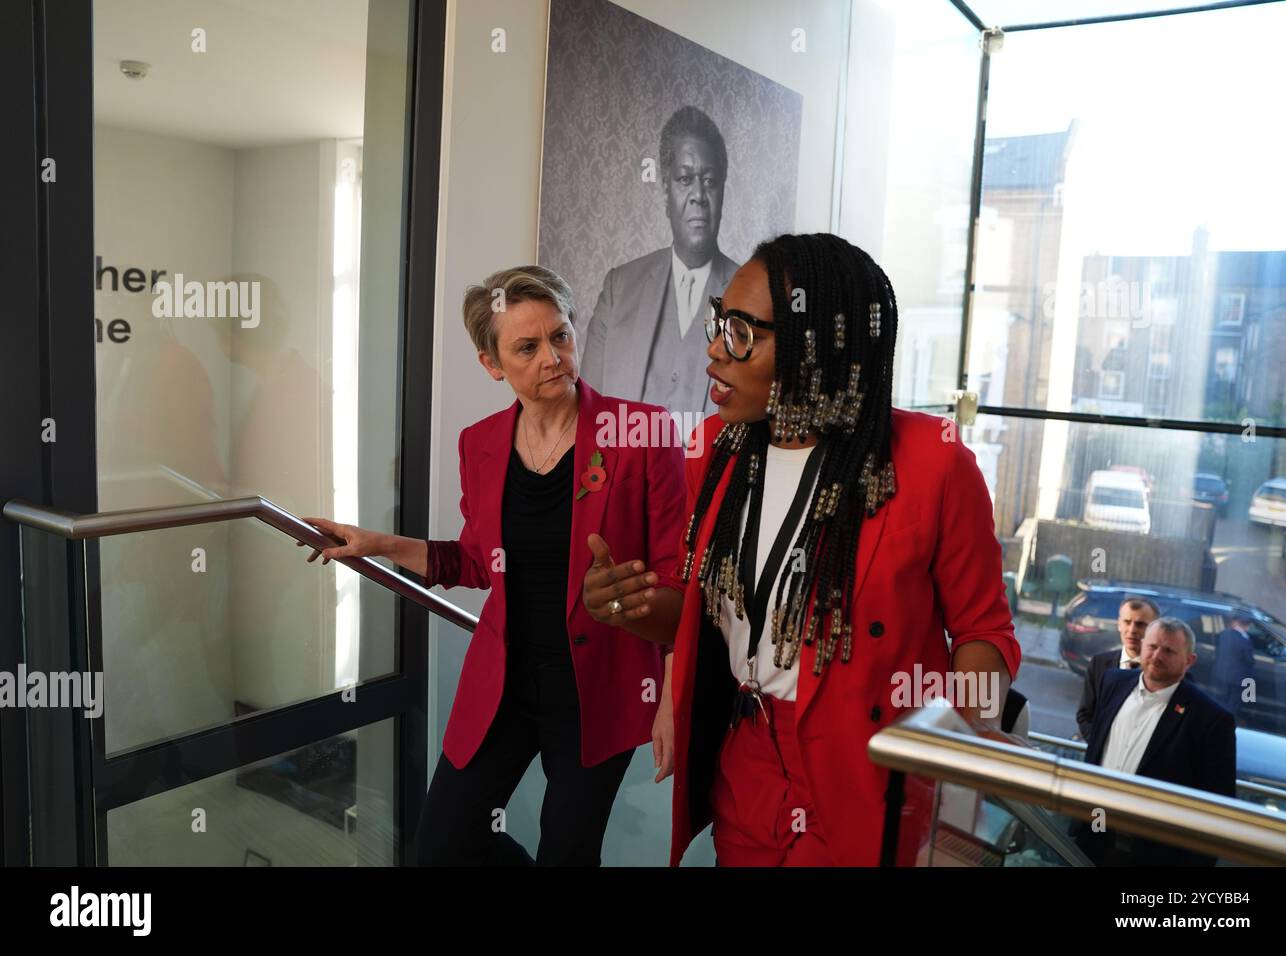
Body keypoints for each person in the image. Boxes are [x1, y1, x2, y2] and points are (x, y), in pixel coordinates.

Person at [594, 233, 1020, 866]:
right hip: (745, 758)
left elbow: (984, 631)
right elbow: (697, 611)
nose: (714, 349)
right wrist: (626, 607)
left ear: (816, 345)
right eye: (719, 322)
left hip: (869, 766)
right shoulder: (716, 448)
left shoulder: (934, 462)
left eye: (742, 332)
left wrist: (955, 768)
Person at [300, 266, 686, 865]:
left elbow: (675, 578)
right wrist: (374, 543)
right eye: (527, 348)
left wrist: (672, 696)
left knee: (568, 851)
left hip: (598, 688)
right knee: (445, 846)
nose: (552, 358)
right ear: (492, 364)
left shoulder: (642, 432)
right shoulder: (479, 444)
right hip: (504, 684)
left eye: (560, 336)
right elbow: (479, 562)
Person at [580, 105, 739, 413]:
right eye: (684, 179)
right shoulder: (619, 287)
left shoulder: (752, 295)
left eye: (709, 181)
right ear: (666, 190)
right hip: (624, 458)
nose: (698, 195)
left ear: (722, 192)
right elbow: (590, 411)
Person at [1074, 616, 1236, 866]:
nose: (1157, 655)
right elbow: (1096, 751)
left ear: (1189, 661)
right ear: (1141, 647)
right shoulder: (1112, 682)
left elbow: (1217, 805)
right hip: (1092, 834)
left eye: (1169, 651)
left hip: (1154, 855)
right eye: (1152, 646)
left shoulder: (1211, 719)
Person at [1076, 596, 1159, 740]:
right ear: (1119, 624)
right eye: (1127, 622)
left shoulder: (1160, 671)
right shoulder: (1099, 663)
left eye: (1140, 624)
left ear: (1154, 629)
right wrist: (1100, 745)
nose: (1132, 630)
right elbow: (1085, 715)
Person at [1211, 612, 1255, 717]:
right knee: (1232, 704)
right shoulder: (1244, 640)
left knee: (1221, 700)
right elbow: (1250, 660)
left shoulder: (1224, 634)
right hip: (1237, 679)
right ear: (1246, 626)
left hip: (1221, 674)